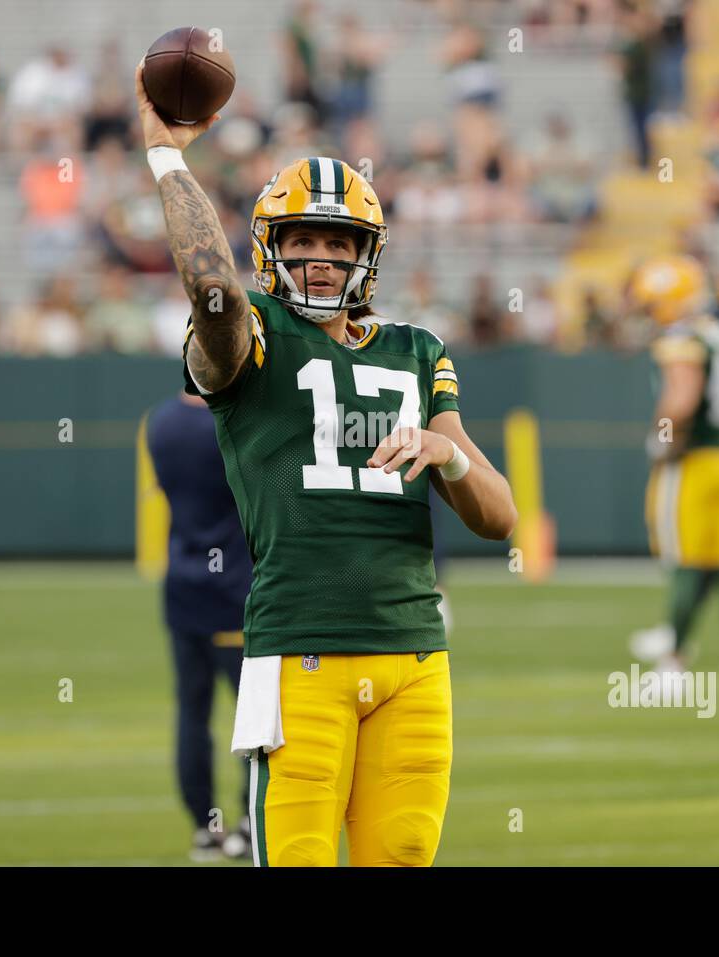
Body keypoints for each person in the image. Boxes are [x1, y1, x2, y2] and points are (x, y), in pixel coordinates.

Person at [134, 60, 518, 867]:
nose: (318, 258)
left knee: (405, 855)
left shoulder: (418, 351)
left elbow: (500, 516)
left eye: (337, 241)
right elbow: (211, 290)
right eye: (300, 240)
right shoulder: (252, 342)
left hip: (414, 652)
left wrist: (447, 452)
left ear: (366, 255)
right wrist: (169, 159)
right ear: (270, 251)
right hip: (298, 648)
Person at [629, 255, 719, 699]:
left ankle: (674, 662)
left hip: (692, 465)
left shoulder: (683, 339)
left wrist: (663, 438)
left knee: (687, 562)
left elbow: (682, 397)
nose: (650, 313)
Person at [146, 391, 254, 861]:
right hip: (235, 591)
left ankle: (203, 826)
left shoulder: (161, 421)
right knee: (256, 716)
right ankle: (250, 821)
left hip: (183, 587)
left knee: (192, 713)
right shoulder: (237, 419)